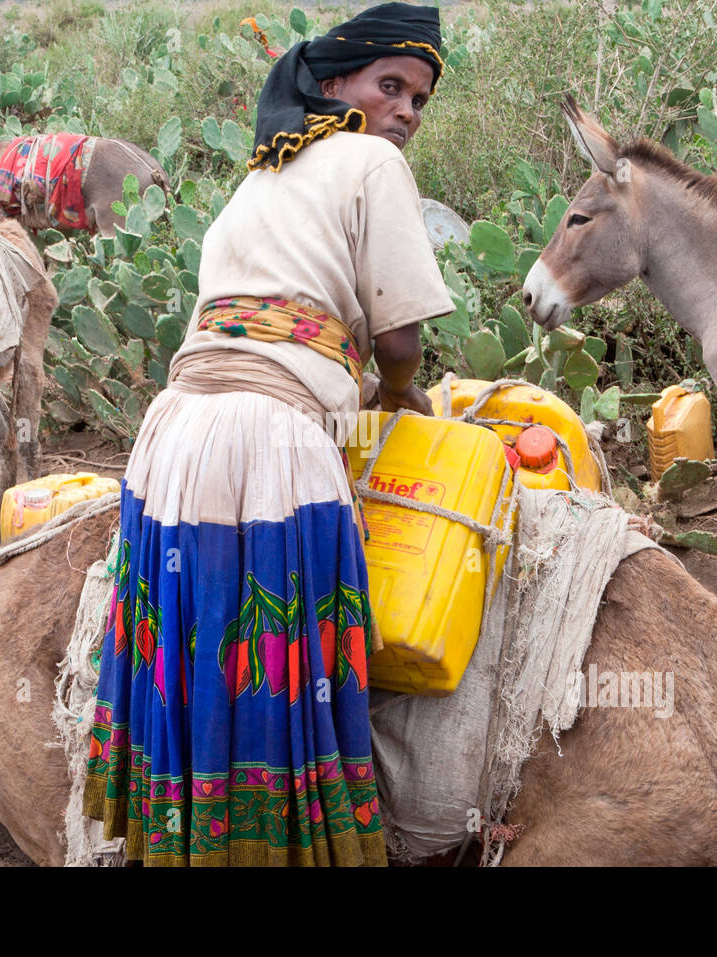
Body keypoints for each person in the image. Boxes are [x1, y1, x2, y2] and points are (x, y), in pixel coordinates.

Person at [83, 2, 454, 866]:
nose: (405, 112)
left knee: (194, 644)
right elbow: (399, 341)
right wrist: (401, 395)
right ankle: (284, 845)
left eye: (419, 100)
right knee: (286, 655)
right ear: (332, 87)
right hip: (271, 439)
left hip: (172, 440)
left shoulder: (259, 178)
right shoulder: (371, 161)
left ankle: (184, 839)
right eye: (390, 86)